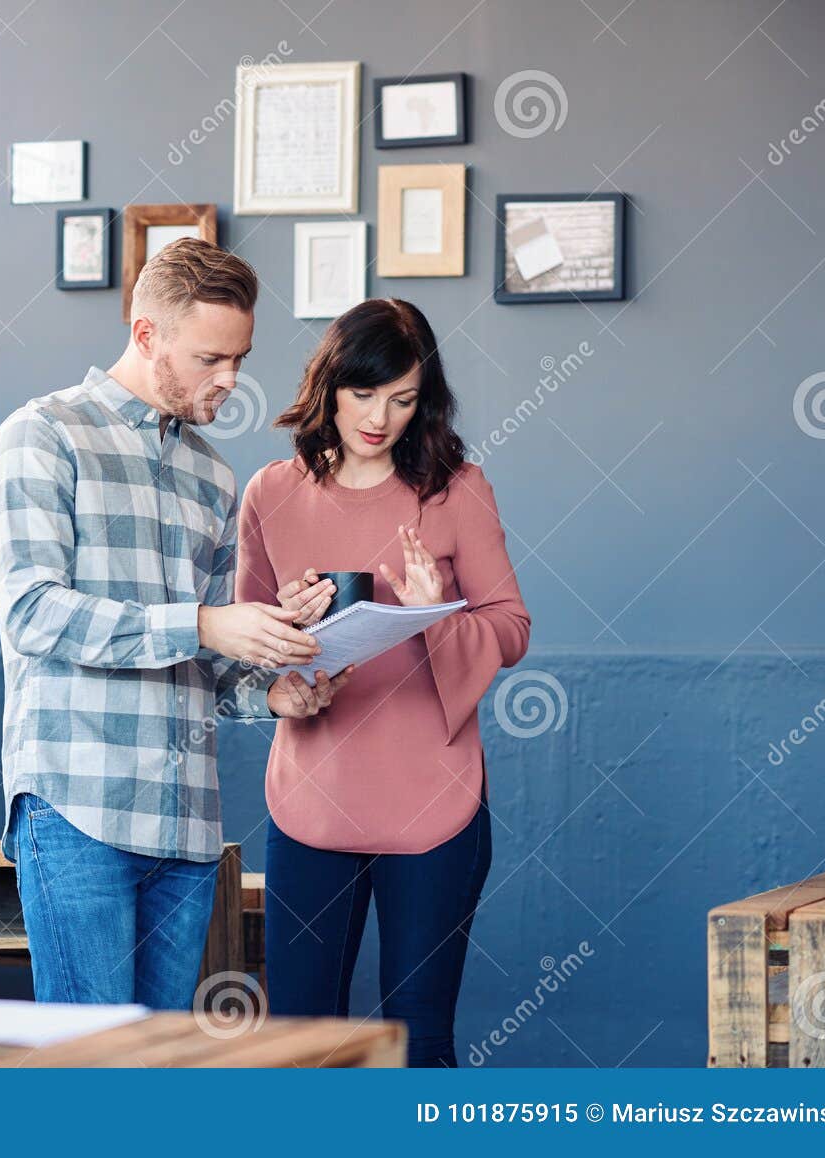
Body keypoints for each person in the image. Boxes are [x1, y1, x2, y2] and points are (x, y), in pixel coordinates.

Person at [0, 239, 352, 1009]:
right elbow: (33, 613)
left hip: (185, 830)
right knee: (89, 1079)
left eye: (240, 358)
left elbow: (205, 660)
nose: (231, 379)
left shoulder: (211, 474)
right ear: (147, 335)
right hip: (78, 806)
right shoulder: (44, 434)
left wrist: (274, 688)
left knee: (156, 1079)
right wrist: (209, 625)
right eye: (210, 358)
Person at [235, 298, 531, 1066]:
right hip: (311, 799)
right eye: (365, 395)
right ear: (331, 386)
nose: (381, 417)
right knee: (299, 1042)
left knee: (418, 1039)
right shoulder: (269, 492)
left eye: (403, 400)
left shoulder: (457, 489)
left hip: (435, 802)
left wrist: (434, 611)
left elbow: (510, 629)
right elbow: (246, 645)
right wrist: (285, 655)